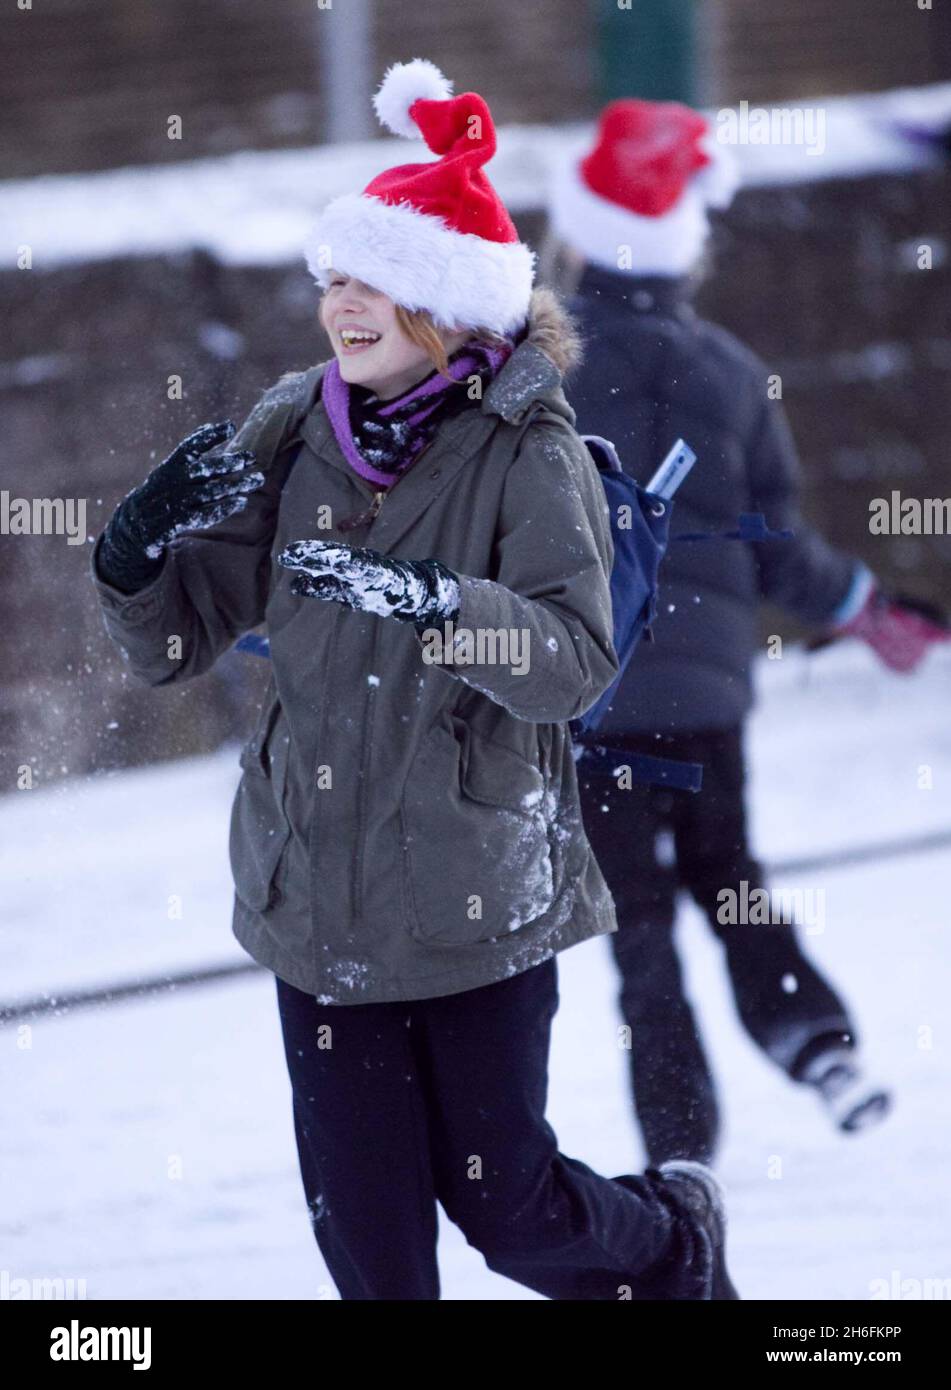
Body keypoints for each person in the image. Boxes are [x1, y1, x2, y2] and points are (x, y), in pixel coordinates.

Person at [89, 62, 739, 1300]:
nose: (342, 305)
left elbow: (570, 665)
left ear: (442, 297)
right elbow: (177, 643)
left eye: (371, 279)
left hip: (473, 902)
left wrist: (441, 606)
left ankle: (674, 1241)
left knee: (510, 1210)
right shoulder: (292, 428)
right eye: (334, 277)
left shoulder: (525, 447)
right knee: (375, 1252)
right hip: (316, 905)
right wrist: (131, 556)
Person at [546, 98, 949, 1166]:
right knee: (731, 876)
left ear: (579, 237)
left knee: (639, 939)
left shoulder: (535, 370)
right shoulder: (728, 369)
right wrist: (868, 607)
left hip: (593, 699)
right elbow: (780, 546)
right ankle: (818, 1041)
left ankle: (682, 1155)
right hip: (709, 694)